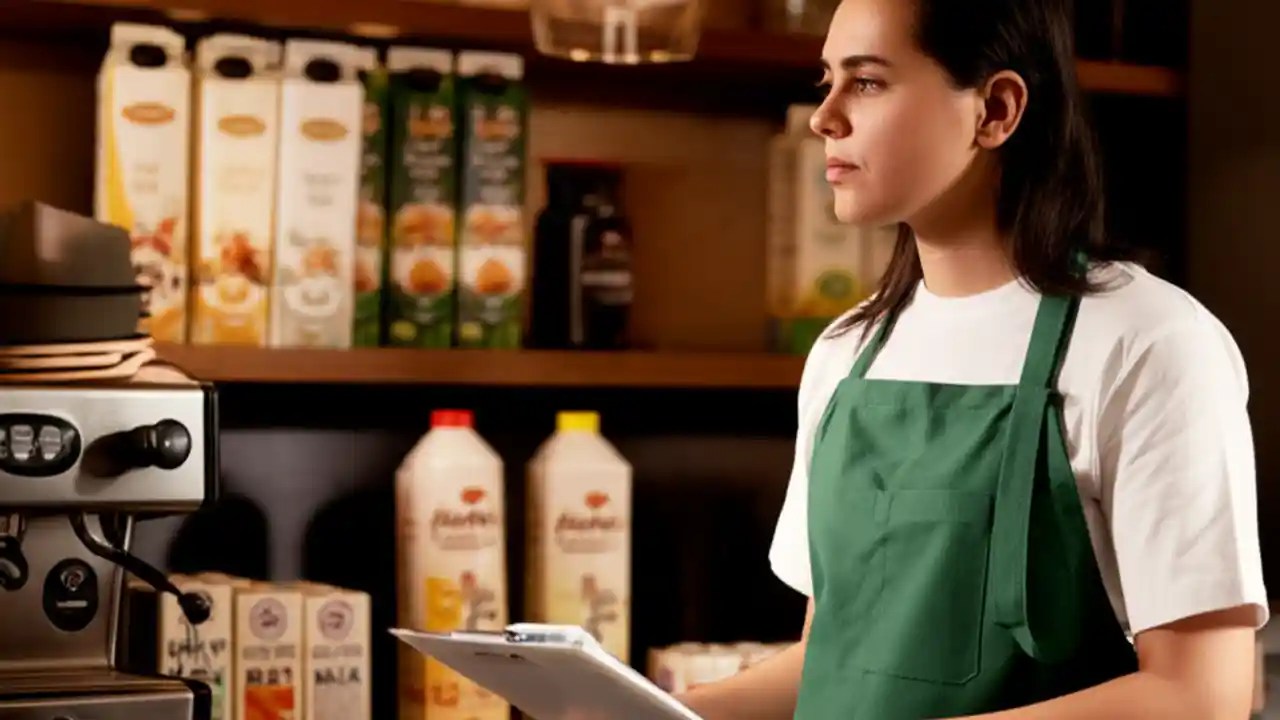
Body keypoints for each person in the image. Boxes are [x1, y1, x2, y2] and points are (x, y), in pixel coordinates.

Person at [676, 0, 1268, 717]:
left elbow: (1200, 696)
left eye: (867, 82)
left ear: (995, 110)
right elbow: (835, 660)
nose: (823, 118)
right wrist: (653, 708)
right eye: (826, 81)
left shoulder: (1148, 343)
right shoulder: (845, 351)